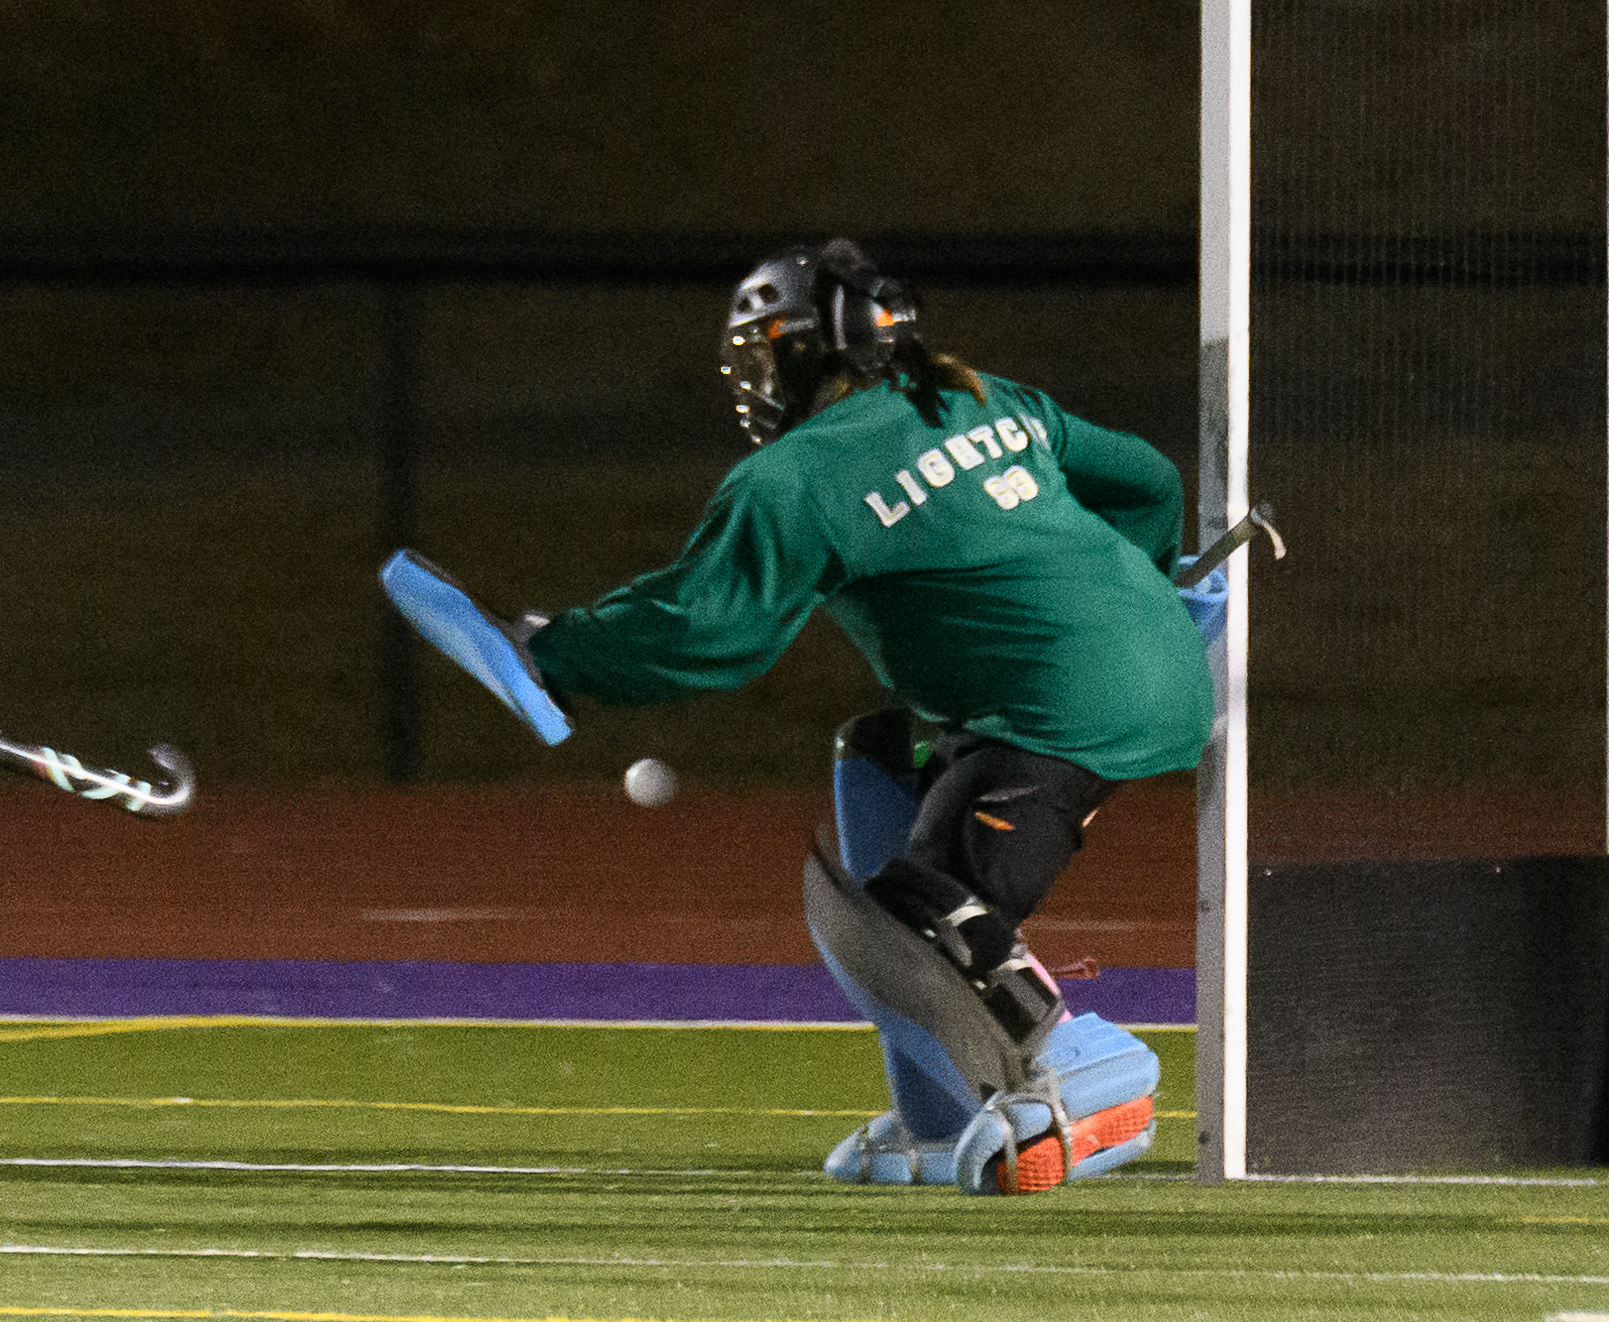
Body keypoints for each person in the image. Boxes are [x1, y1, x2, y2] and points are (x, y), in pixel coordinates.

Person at [520, 239, 1216, 1193]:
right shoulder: (979, 397)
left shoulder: (798, 476)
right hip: (1134, 674)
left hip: (1061, 710)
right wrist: (1139, 605)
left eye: (765, 351)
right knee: (876, 754)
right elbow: (1147, 482)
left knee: (902, 911)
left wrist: (552, 652)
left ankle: (1085, 1070)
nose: (757, 376)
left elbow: (705, 628)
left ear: (811, 351)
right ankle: (938, 1118)